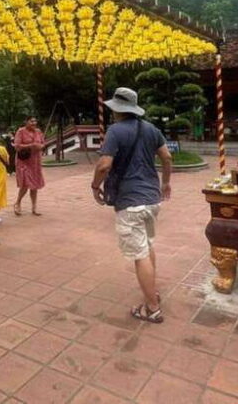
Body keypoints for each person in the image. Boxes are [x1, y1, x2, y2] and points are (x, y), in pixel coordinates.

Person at [91, 87, 172, 324]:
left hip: (130, 201)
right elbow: (167, 157)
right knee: (147, 246)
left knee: (139, 254)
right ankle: (152, 291)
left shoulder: (115, 131)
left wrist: (95, 187)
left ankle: (152, 308)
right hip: (152, 198)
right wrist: (165, 183)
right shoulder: (151, 129)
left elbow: (104, 165)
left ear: (117, 109)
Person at [13, 115, 45, 216]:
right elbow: (17, 147)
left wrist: (40, 146)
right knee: (25, 184)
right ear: (26, 122)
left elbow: (43, 143)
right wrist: (31, 145)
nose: (34, 123)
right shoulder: (20, 131)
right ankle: (17, 203)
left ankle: (34, 207)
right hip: (24, 162)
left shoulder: (38, 131)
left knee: (34, 185)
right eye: (31, 121)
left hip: (35, 162)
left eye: (35, 121)